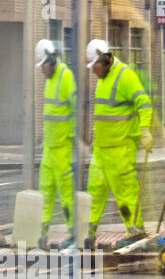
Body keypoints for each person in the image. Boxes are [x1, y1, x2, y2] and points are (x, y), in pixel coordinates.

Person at [85, 39, 154, 249]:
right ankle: (87, 233)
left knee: (125, 193)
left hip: (121, 148)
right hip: (102, 149)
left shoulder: (126, 76)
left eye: (95, 67)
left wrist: (145, 130)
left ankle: (135, 232)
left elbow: (144, 103)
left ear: (105, 60)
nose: (94, 72)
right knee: (94, 193)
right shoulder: (103, 77)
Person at [35, 40, 76, 249]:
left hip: (63, 148)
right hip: (49, 148)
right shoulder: (50, 80)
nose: (43, 70)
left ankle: (72, 234)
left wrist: (76, 140)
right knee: (46, 192)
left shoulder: (65, 77)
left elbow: (76, 109)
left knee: (66, 194)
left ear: (51, 60)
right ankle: (40, 234)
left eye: (44, 65)